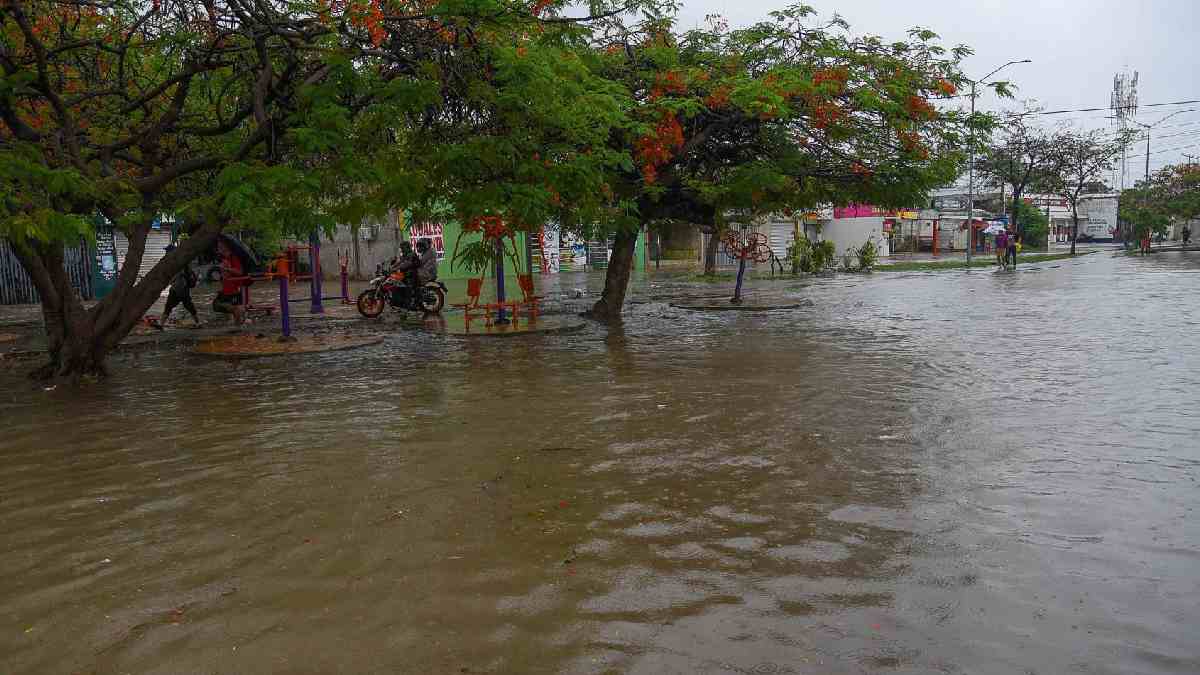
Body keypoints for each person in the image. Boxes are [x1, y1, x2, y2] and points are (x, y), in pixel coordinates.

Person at [162, 244, 200, 326]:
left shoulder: (178, 262)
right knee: (188, 306)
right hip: (179, 288)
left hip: (180, 288)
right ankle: (198, 322)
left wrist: (167, 282)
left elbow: (176, 276)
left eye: (167, 251)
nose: (166, 253)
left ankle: (198, 322)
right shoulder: (179, 261)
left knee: (187, 306)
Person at [212, 240, 248, 325]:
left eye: (220, 245)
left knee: (234, 310)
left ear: (226, 246)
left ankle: (240, 323)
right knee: (216, 305)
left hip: (234, 288)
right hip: (226, 289)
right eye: (218, 245)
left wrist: (227, 269)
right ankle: (239, 317)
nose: (218, 247)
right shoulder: (224, 258)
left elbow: (240, 272)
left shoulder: (234, 257)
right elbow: (224, 275)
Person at [390, 240, 419, 306]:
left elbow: (407, 264)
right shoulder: (405, 255)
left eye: (403, 248)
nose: (402, 249)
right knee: (395, 282)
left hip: (412, 274)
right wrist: (392, 267)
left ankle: (409, 302)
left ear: (407, 247)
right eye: (401, 248)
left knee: (407, 286)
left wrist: (396, 268)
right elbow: (400, 262)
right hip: (406, 273)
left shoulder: (412, 254)